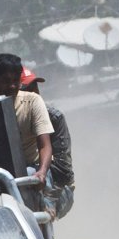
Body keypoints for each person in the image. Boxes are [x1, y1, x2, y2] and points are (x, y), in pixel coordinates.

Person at [0, 53, 53, 187]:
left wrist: (42, 172)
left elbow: (44, 145)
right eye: (6, 81)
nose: (13, 86)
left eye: (16, 80)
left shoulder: (32, 101)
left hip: (31, 167)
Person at [21, 67, 74, 218]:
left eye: (34, 87)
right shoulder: (6, 116)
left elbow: (63, 168)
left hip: (54, 187)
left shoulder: (53, 117)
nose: (34, 93)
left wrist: (49, 199)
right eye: (27, 89)